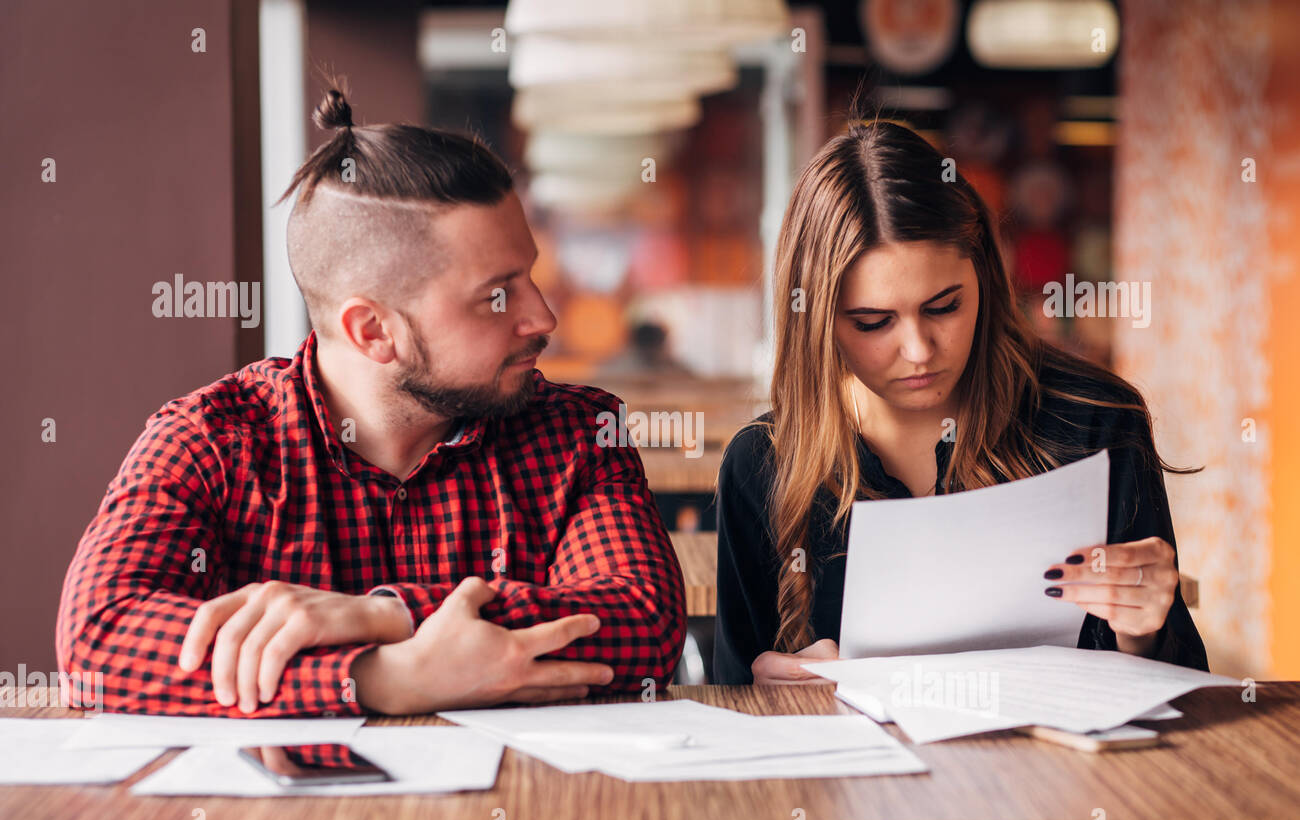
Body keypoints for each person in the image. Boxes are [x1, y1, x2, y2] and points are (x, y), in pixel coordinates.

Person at [57, 86, 686, 716]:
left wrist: (384, 616)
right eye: (498, 295)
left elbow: (645, 622)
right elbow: (100, 640)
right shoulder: (209, 442)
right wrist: (384, 679)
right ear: (373, 331)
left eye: (531, 276)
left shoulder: (575, 430)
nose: (542, 317)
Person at [714, 118, 1208, 685]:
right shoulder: (761, 463)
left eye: (945, 307)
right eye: (874, 322)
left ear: (984, 279)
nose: (919, 350)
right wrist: (772, 690)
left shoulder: (1094, 421)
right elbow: (732, 694)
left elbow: (1187, 689)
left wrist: (1142, 631)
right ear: (816, 323)